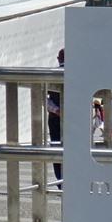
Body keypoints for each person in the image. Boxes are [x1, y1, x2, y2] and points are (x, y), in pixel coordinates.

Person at [48, 47, 64, 185]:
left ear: (58, 59)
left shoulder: (51, 74)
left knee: (56, 148)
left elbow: (43, 98)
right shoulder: (78, 74)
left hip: (54, 118)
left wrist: (56, 110)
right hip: (75, 119)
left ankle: (60, 181)